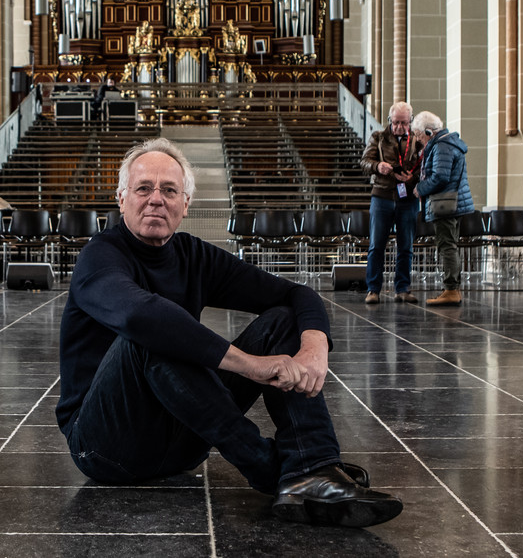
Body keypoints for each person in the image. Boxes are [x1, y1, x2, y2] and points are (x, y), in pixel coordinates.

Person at [57, 139, 404, 528]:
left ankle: (312, 466)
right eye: (143, 188)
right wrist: (249, 366)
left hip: (181, 444)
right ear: (122, 199)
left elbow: (296, 294)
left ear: (185, 205)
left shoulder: (194, 256)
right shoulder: (99, 256)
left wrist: (314, 346)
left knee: (283, 319)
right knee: (152, 334)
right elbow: (142, 317)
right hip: (105, 446)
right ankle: (272, 470)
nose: (156, 199)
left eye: (169, 190)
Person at [359, 101, 423, 305]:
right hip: (382, 196)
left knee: (406, 246)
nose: (399, 127)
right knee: (377, 245)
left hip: (408, 199)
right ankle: (373, 289)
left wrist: (411, 179)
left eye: (404, 123)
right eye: (396, 122)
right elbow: (364, 162)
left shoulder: (417, 140)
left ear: (410, 121)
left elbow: (424, 167)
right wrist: (379, 166)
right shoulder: (378, 137)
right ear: (389, 120)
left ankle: (402, 288)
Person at [411, 111, 474, 306]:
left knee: (447, 246)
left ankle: (451, 290)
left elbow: (440, 177)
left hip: (445, 204)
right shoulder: (448, 143)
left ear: (429, 132)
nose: (418, 140)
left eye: (420, 135)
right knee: (450, 245)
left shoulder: (442, 146)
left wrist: (420, 188)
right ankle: (452, 288)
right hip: (453, 202)